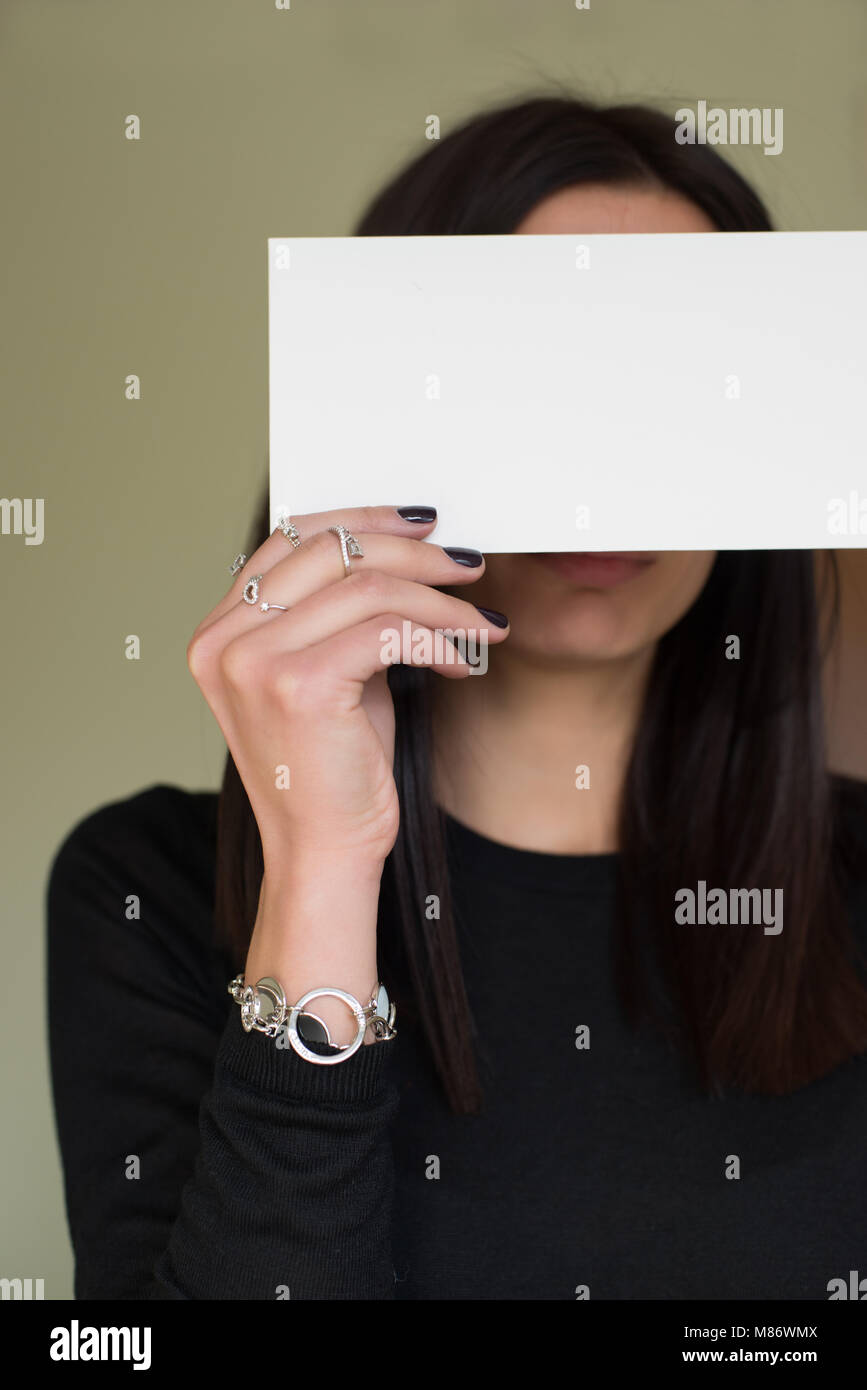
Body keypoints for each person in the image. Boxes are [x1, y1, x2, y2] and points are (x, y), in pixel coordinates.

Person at [47, 94, 867, 1301]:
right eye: (535, 383)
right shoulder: (145, 889)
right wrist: (323, 864)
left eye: (677, 387)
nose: (606, 479)